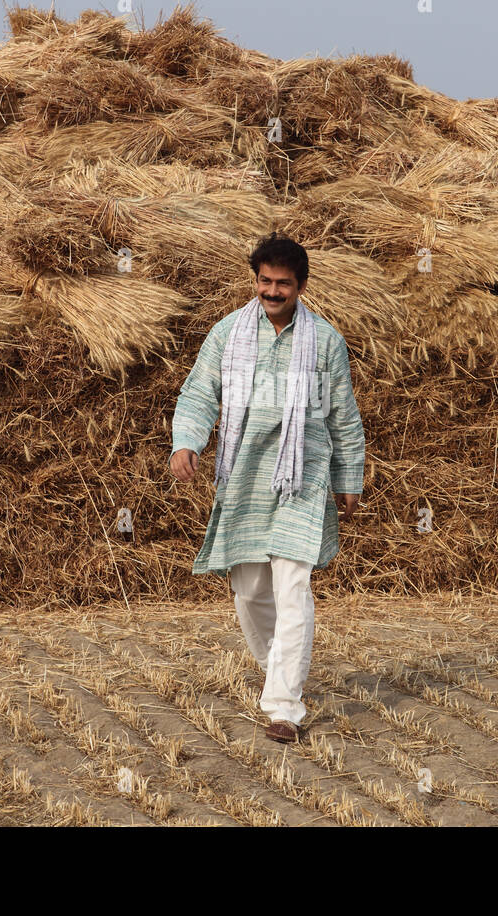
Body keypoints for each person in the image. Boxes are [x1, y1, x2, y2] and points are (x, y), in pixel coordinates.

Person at [169, 233, 365, 743]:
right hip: (244, 474)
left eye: (283, 283)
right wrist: (186, 442)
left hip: (303, 475)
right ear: (255, 280)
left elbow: (344, 413)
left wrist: (349, 476)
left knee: (293, 587)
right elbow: (198, 391)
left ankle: (284, 706)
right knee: (251, 588)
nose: (272, 291)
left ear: (301, 286)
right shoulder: (227, 333)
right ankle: (279, 664)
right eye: (265, 281)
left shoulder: (324, 341)